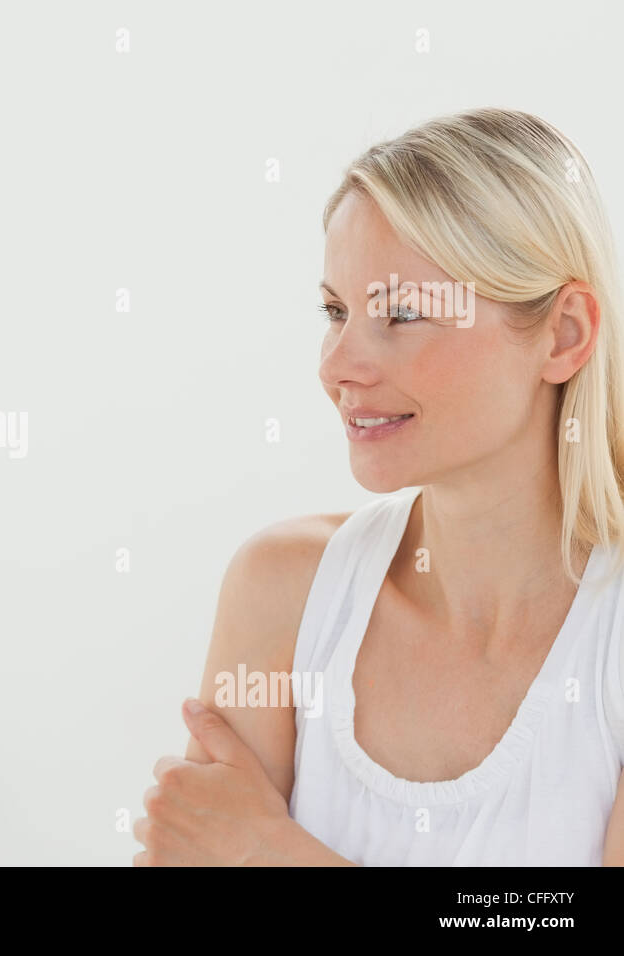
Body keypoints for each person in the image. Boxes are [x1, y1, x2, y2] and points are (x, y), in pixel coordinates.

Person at [133, 108, 624, 865]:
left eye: (401, 313)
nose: (337, 366)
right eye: (336, 311)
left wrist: (271, 852)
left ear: (564, 335)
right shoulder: (285, 592)